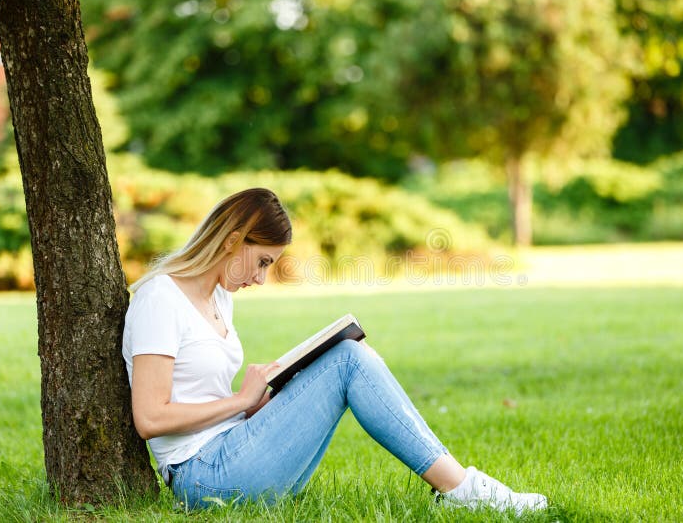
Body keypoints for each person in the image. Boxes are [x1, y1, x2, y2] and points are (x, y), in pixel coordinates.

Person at [122, 188, 548, 514]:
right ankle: (463, 490)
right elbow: (150, 418)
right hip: (202, 475)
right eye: (263, 262)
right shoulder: (161, 298)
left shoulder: (219, 299)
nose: (262, 278)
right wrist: (238, 400)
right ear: (232, 241)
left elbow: (197, 395)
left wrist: (252, 407)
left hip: (232, 450)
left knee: (344, 357)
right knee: (348, 361)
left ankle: (460, 488)